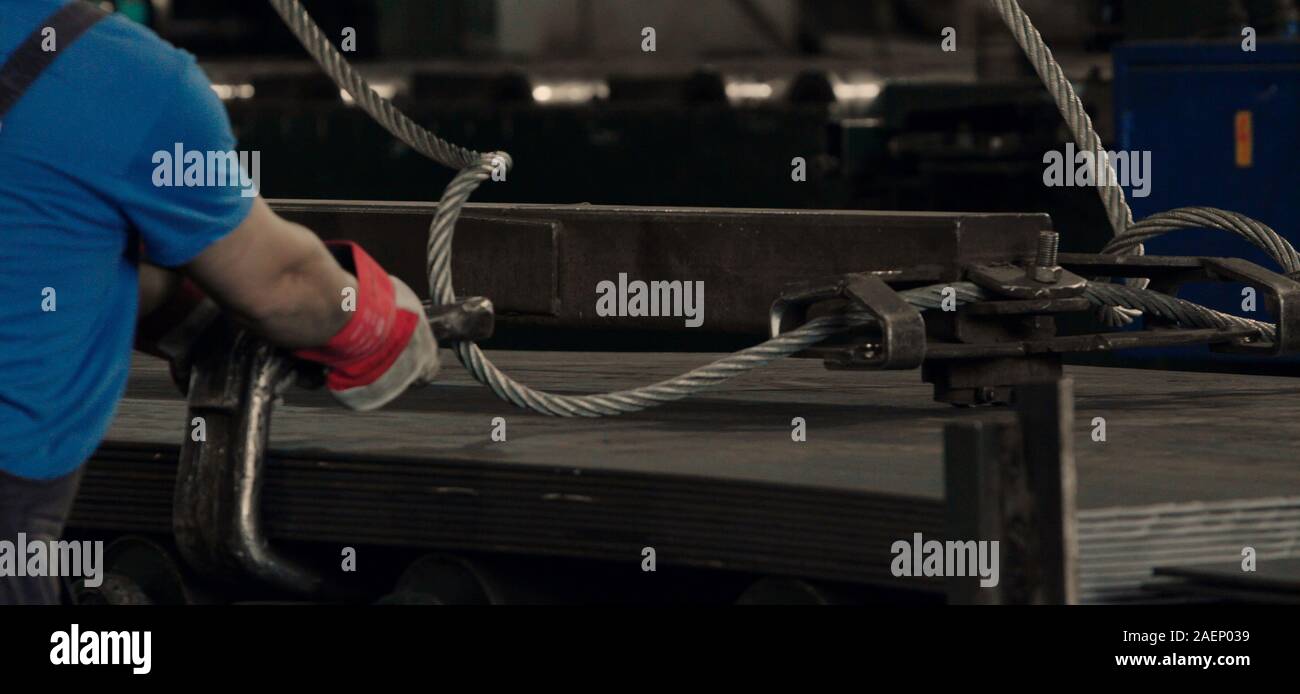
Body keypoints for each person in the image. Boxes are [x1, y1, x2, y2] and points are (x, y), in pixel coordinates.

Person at [0, 0, 440, 604]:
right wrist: (377, 324)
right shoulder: (124, 77)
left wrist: (183, 316)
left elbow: (41, 240)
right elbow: (280, 285)